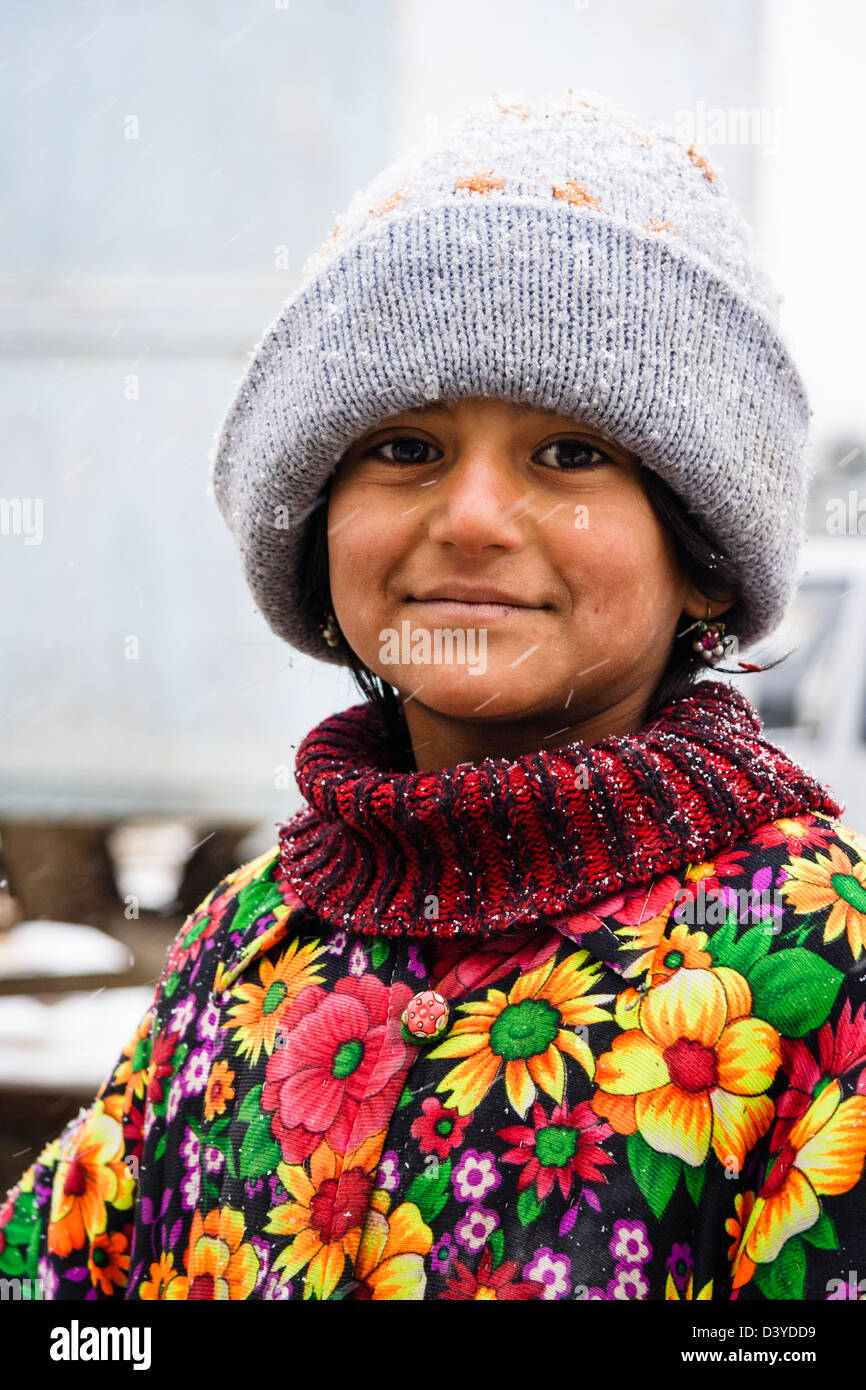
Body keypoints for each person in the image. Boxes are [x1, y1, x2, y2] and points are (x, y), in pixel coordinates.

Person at [4, 87, 866, 1303]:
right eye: (404, 448)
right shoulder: (247, 941)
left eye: (570, 453)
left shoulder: (815, 974)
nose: (468, 518)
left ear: (703, 556)